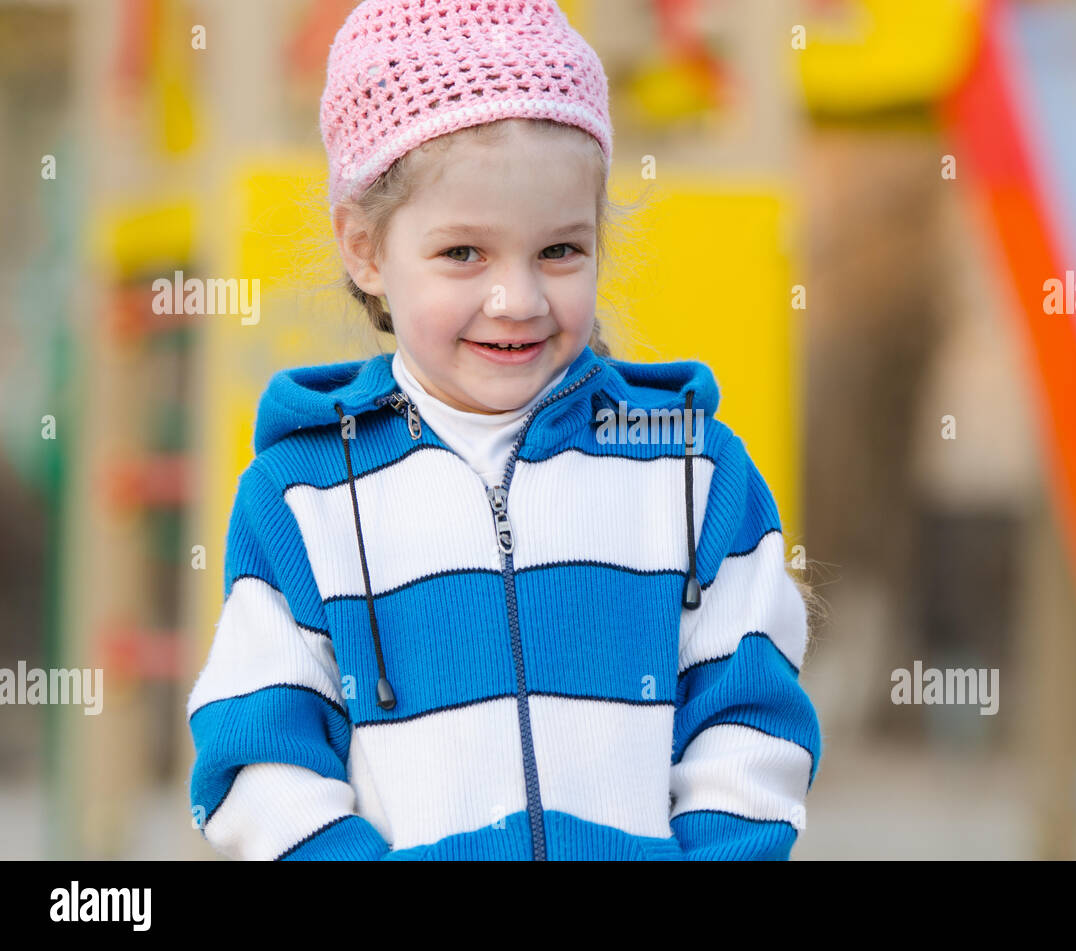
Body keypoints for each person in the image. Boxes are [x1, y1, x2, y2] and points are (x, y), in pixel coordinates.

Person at [186, 0, 821, 861]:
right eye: (464, 255)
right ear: (365, 248)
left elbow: (750, 722)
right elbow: (259, 757)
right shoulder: (300, 497)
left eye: (560, 250)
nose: (517, 299)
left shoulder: (692, 471)